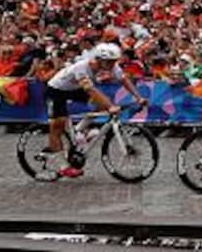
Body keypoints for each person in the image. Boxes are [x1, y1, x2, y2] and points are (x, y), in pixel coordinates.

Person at [43, 42, 147, 178]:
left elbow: (124, 80)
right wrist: (110, 106)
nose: (112, 65)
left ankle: (77, 130)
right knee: (57, 125)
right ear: (99, 59)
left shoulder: (111, 66)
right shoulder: (82, 67)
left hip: (75, 89)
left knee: (100, 104)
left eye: (114, 61)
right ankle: (63, 167)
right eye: (109, 62)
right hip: (56, 91)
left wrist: (138, 97)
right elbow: (90, 90)